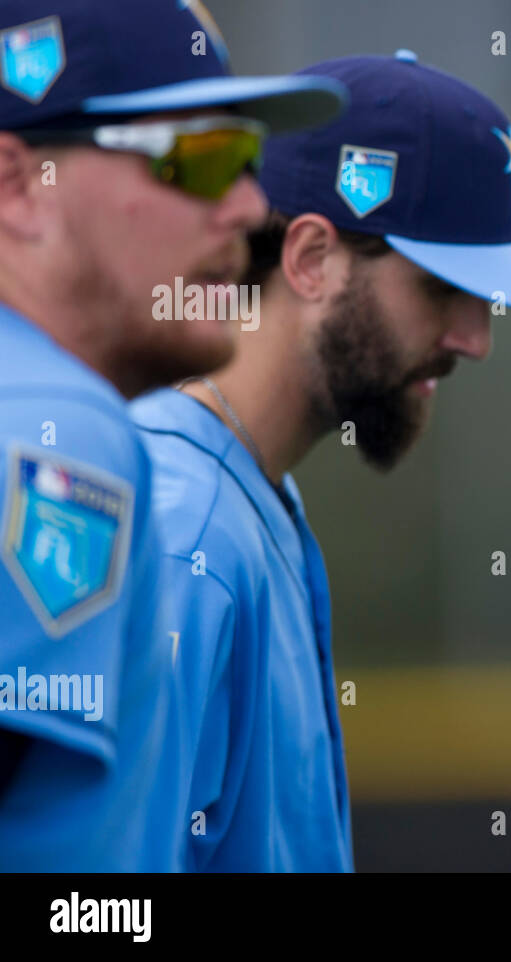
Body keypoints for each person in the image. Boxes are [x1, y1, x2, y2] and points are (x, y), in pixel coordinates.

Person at [129, 51, 511, 871]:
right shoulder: (182, 528)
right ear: (310, 258)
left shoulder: (249, 493)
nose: (474, 340)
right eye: (438, 288)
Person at [0, 0, 344, 869]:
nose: (250, 205)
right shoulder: (63, 432)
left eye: (249, 160)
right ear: (18, 189)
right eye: (197, 160)